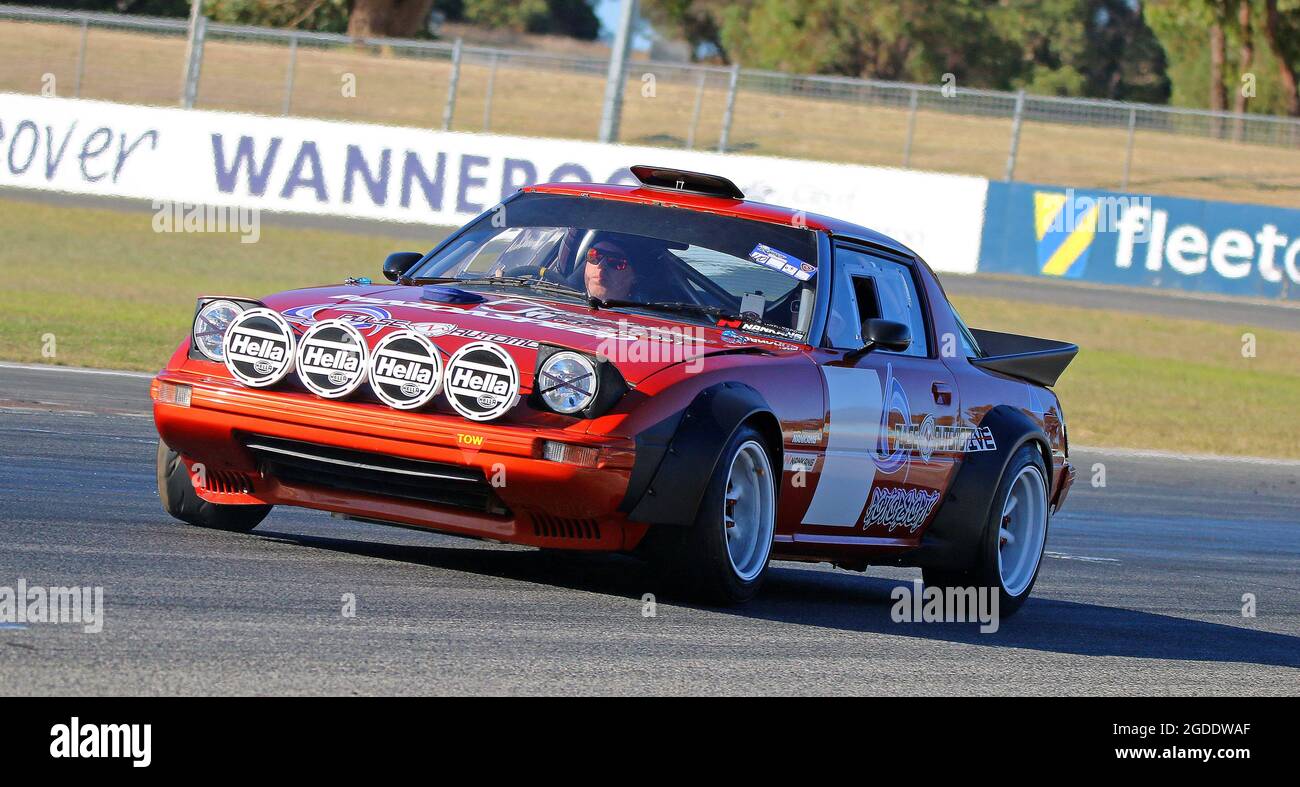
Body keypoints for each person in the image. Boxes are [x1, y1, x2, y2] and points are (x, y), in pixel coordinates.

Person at [583, 237, 640, 302]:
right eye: (593, 255)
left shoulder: (645, 311)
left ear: (634, 277)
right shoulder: (569, 301)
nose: (600, 265)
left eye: (616, 261)